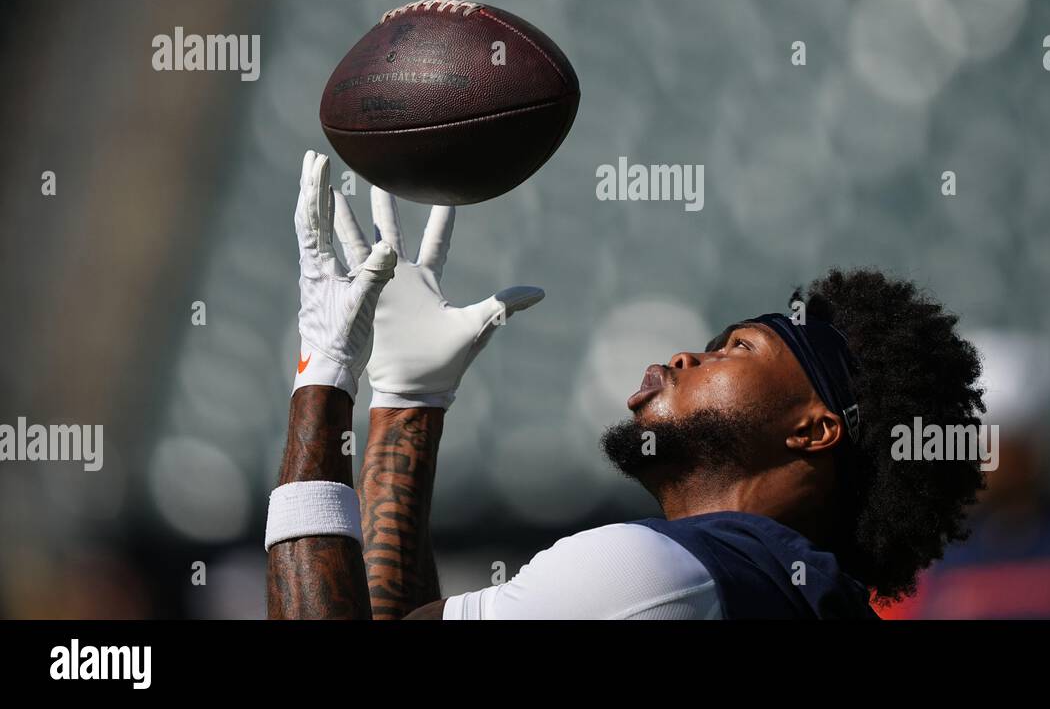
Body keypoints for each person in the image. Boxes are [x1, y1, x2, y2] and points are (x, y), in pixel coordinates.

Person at [266, 150, 986, 620]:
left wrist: (323, 375)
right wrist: (408, 400)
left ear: (813, 427)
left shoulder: (657, 576)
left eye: (736, 348)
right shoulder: (762, 588)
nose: (683, 358)